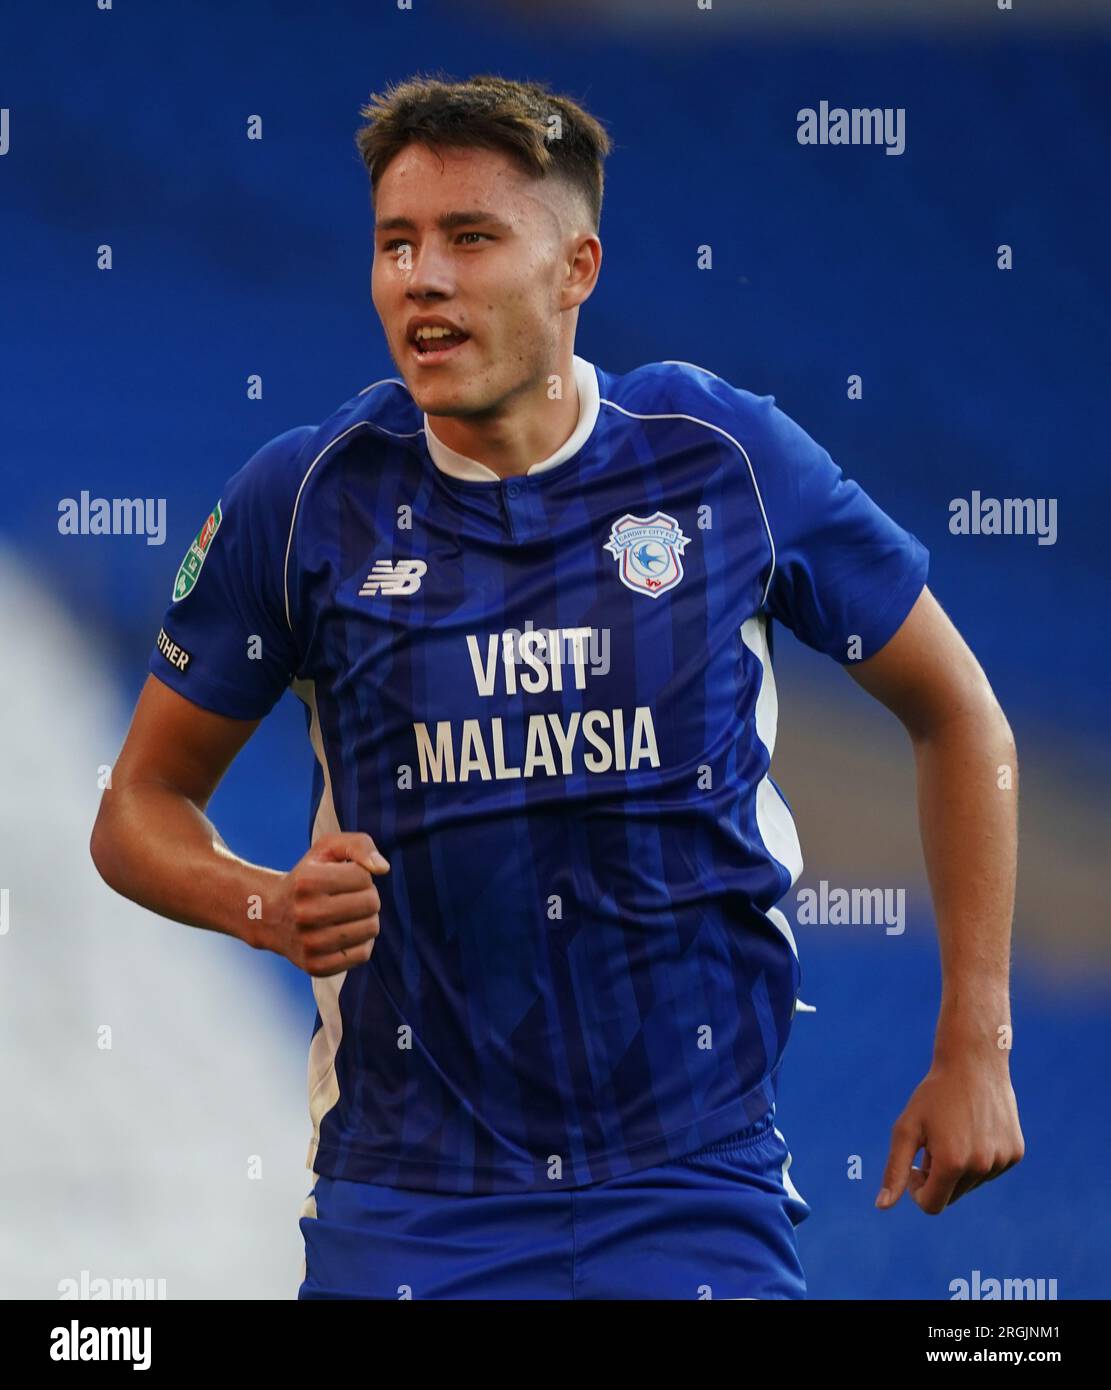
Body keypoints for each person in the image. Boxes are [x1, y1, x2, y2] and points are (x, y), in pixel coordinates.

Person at [90, 73, 1024, 1300]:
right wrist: (261, 904)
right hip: (409, 1199)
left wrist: (976, 1037)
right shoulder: (306, 499)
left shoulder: (720, 461)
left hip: (691, 1184)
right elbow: (136, 809)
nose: (421, 278)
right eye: (395, 244)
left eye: (469, 238)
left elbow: (959, 713)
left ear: (576, 267)